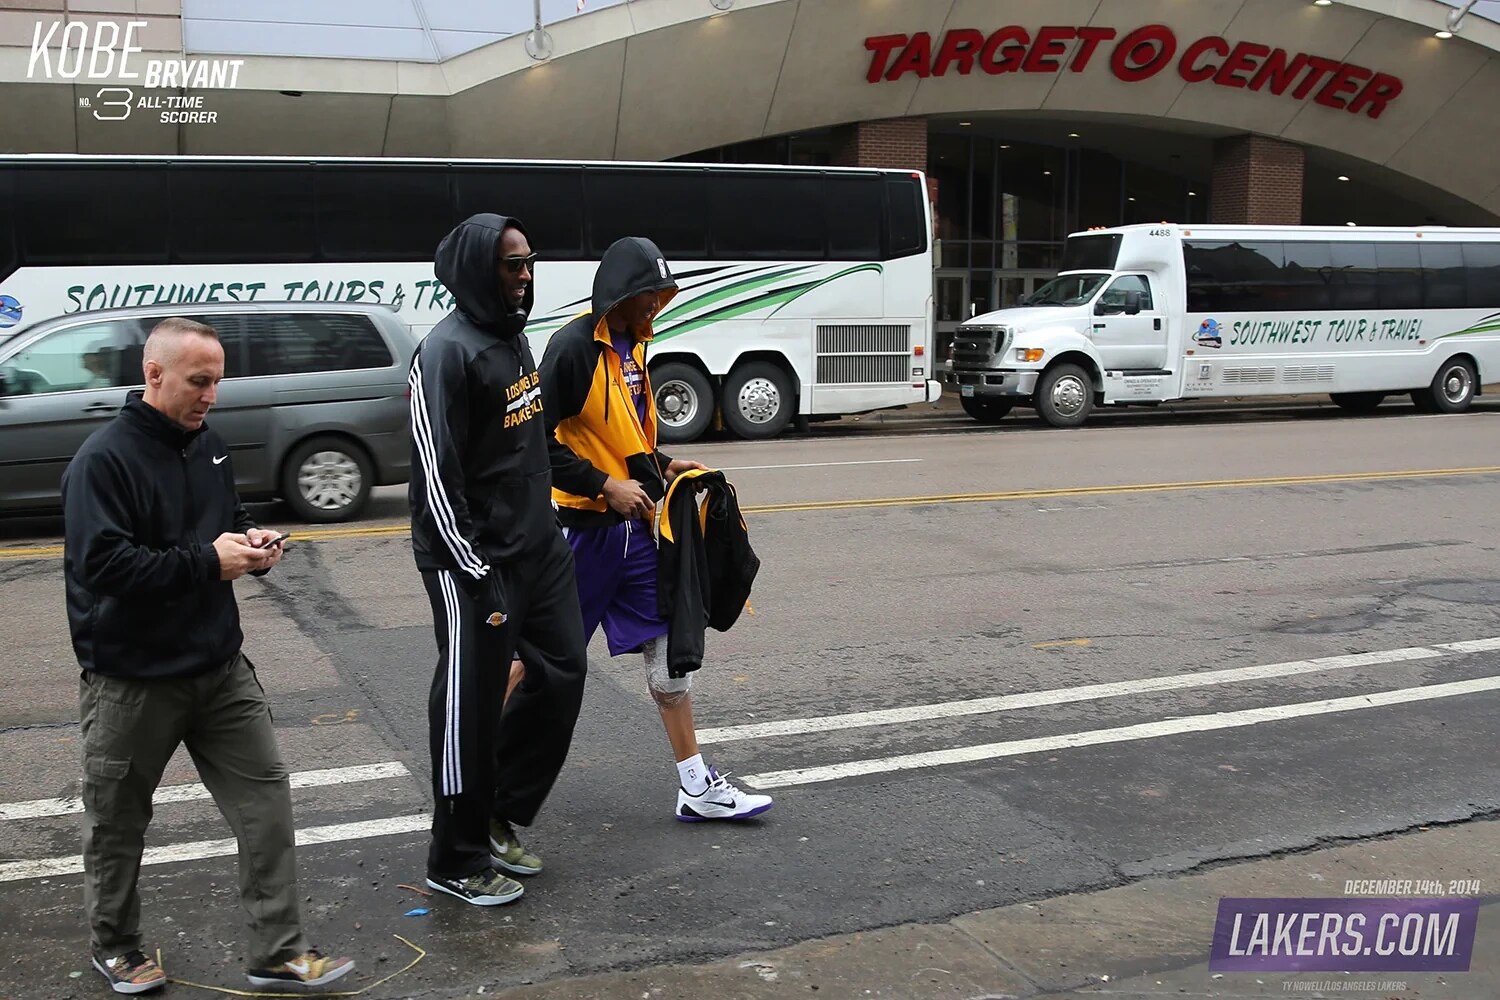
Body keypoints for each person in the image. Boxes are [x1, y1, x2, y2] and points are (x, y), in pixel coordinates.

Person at [60, 317, 354, 994]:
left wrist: (251, 544)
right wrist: (205, 562)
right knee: (118, 822)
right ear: (153, 374)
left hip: (220, 670)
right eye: (198, 382)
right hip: (133, 680)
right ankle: (117, 946)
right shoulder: (103, 461)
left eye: (217, 382)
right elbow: (103, 566)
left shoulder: (208, 444)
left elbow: (223, 523)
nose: (211, 397)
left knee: (266, 803)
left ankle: (277, 951)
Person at [539, 236, 773, 823]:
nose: (658, 304)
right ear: (619, 293)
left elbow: (624, 435)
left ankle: (696, 786)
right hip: (582, 535)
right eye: (650, 293)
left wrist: (661, 466)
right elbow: (533, 445)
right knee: (538, 661)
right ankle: (475, 775)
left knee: (668, 649)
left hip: (634, 532)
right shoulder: (572, 349)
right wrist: (603, 486)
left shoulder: (636, 347)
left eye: (663, 294)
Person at [408, 213, 589, 906]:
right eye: (512, 265)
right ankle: (454, 858)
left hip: (539, 549)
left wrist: (548, 527)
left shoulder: (516, 339)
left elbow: (529, 447)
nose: (525, 276)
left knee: (563, 671)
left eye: (529, 262)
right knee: (470, 706)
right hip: (473, 562)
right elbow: (436, 472)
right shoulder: (444, 352)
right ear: (478, 270)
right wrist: (473, 566)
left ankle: (497, 810)